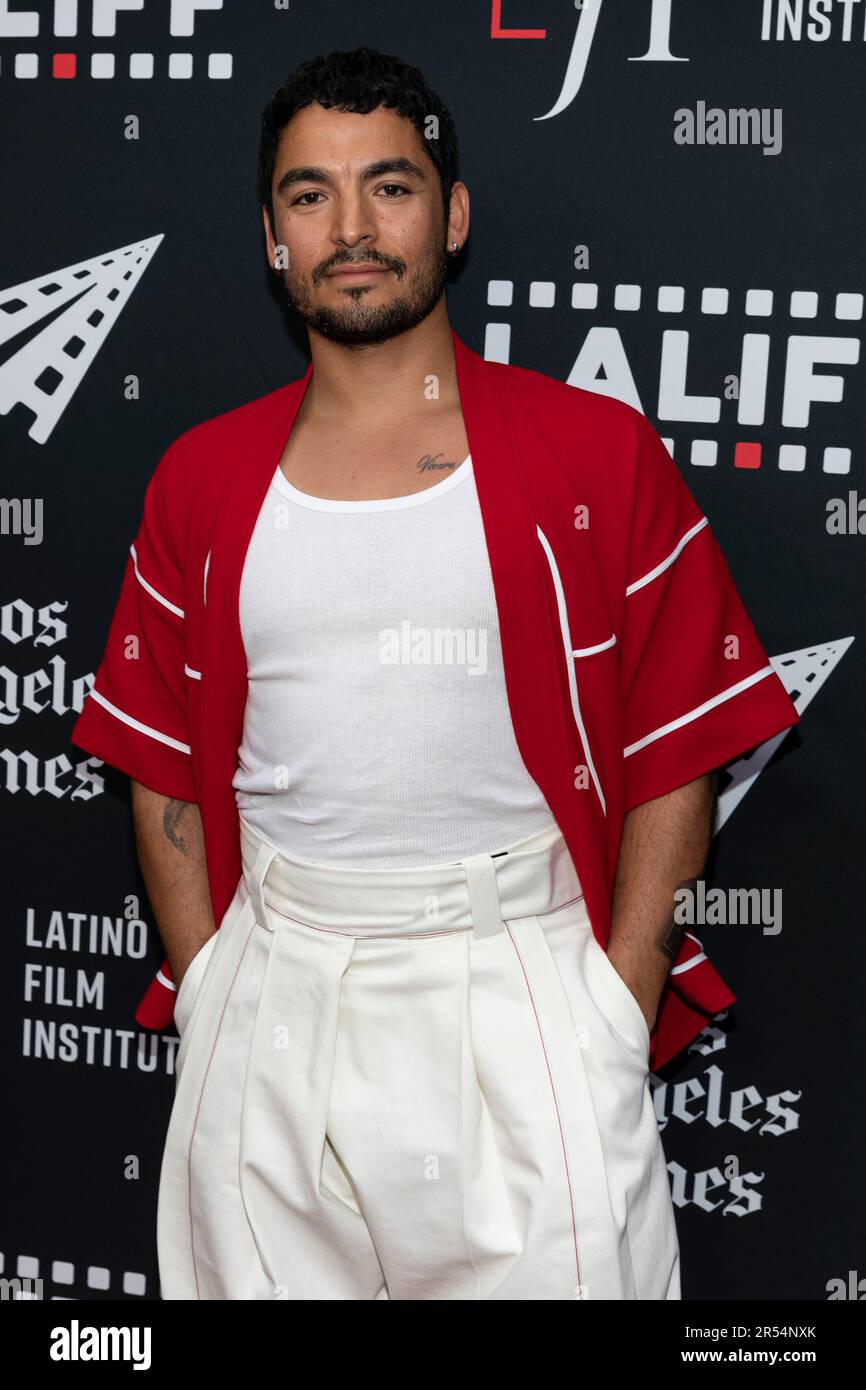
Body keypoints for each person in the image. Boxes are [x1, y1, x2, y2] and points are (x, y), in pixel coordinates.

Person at [70, 47, 800, 1301]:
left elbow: (677, 751)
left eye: (389, 186)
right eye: (310, 195)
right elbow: (164, 769)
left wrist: (610, 1015)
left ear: (451, 215)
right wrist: (215, 996)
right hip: (271, 998)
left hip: (523, 995)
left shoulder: (592, 452)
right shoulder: (200, 476)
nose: (351, 228)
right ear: (271, 236)